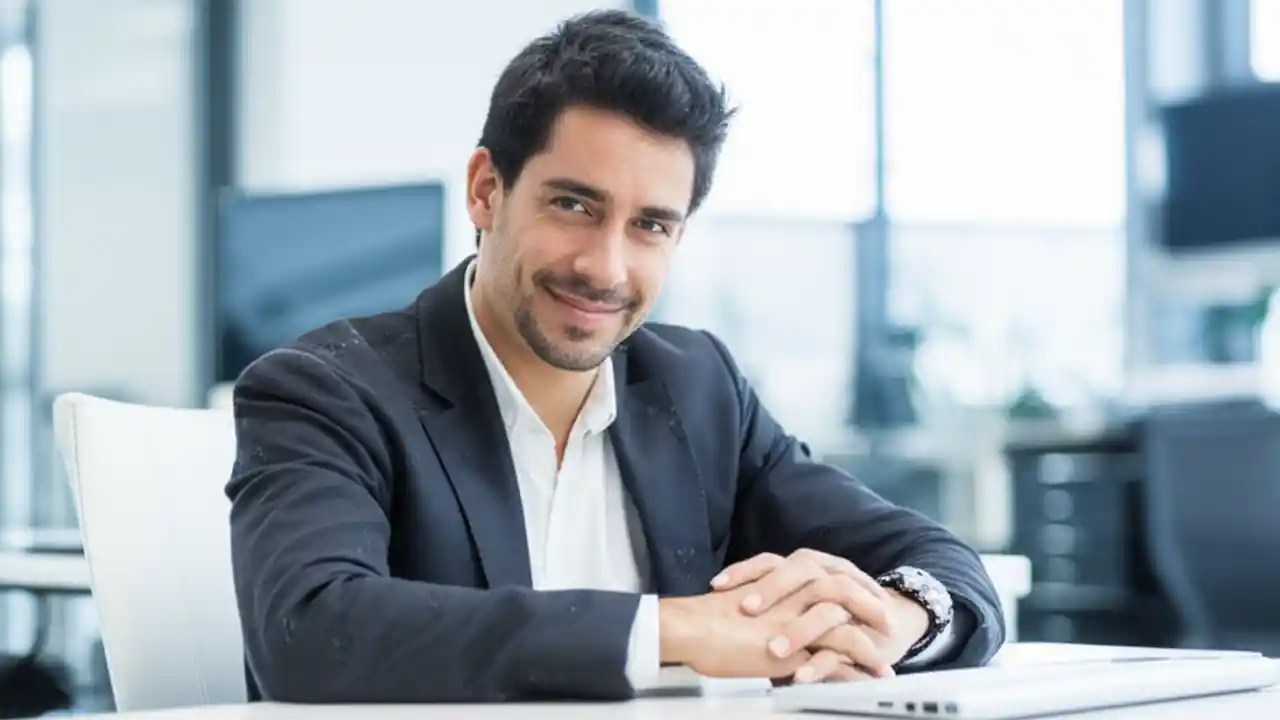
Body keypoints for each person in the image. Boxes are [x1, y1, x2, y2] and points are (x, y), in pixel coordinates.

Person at [226, 9, 1004, 703]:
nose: (606, 267)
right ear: (486, 190)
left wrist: (894, 620)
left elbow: (942, 561)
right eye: (574, 205)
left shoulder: (697, 389)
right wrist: (675, 632)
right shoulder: (325, 390)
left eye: (651, 226)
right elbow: (311, 630)